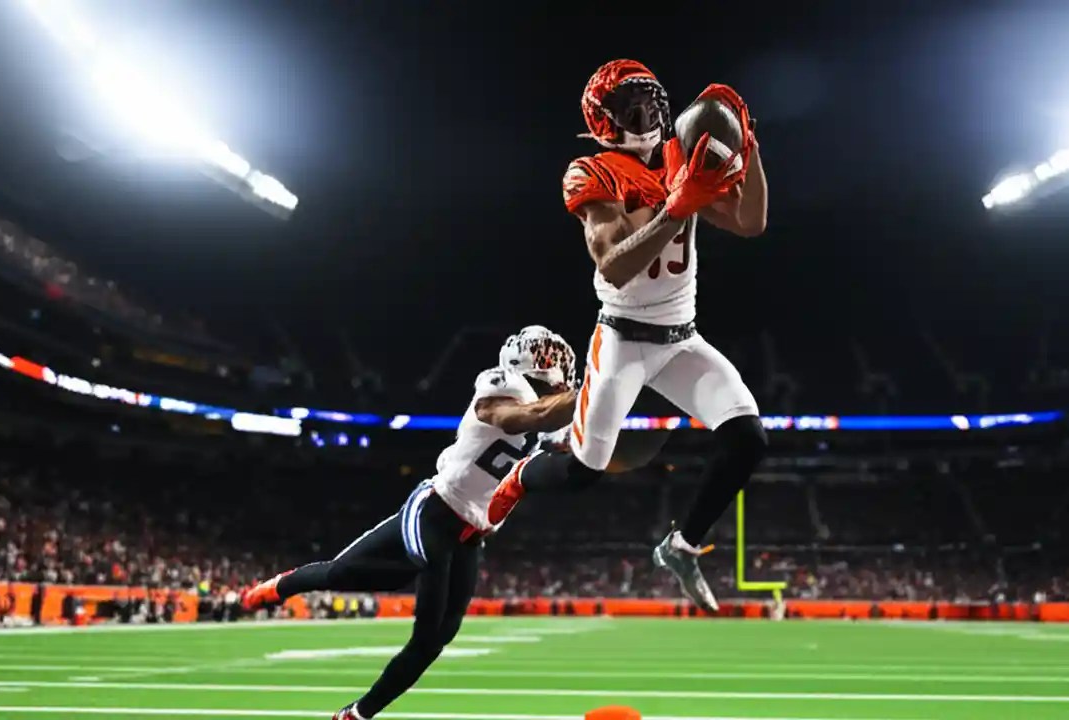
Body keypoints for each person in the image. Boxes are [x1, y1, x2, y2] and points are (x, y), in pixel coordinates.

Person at [487, 59, 770, 612]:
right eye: (632, 109)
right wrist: (676, 206)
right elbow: (614, 265)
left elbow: (750, 221)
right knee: (583, 471)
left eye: (653, 105)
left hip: (682, 339)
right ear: (603, 120)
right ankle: (522, 475)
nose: (648, 117)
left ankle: (681, 546)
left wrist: (750, 149)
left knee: (747, 439)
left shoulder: (676, 158)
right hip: (623, 340)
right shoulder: (589, 171)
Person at [241, 326, 577, 720]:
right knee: (359, 572)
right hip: (434, 510)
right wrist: (593, 393)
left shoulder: (552, 419)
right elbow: (518, 417)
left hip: (471, 535)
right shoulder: (502, 387)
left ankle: (357, 714)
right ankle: (281, 585)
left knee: (435, 639)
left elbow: (571, 449)